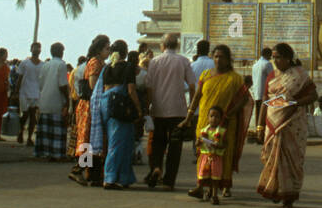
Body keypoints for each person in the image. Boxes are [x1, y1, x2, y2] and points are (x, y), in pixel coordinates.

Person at [181, 44, 252, 198]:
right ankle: (201, 186)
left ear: (228, 60)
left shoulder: (235, 78)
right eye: (216, 56)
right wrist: (188, 117)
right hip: (204, 121)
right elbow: (197, 97)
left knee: (223, 155)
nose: (219, 60)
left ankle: (223, 186)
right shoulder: (206, 75)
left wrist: (229, 114)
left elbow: (244, 99)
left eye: (222, 57)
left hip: (226, 123)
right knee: (203, 154)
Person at [256, 43, 318, 208]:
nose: (275, 61)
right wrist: (260, 126)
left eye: (278, 57)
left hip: (293, 123)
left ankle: (288, 198)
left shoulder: (300, 75)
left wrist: (295, 103)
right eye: (273, 57)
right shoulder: (271, 76)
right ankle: (277, 190)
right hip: (272, 122)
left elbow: (313, 95)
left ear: (288, 58)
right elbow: (264, 100)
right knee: (273, 157)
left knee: (291, 160)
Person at [144, 31, 196, 191]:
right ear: (177, 45)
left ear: (162, 45)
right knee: (175, 146)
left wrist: (148, 107)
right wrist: (191, 108)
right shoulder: (183, 61)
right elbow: (193, 85)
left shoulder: (154, 61)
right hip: (178, 110)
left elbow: (149, 87)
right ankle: (169, 180)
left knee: (157, 142)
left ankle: (156, 168)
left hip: (158, 109)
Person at [72, 34, 110, 186]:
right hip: (89, 106)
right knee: (87, 140)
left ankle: (93, 174)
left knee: (94, 141)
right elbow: (94, 86)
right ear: (99, 50)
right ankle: (77, 169)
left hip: (93, 105)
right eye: (107, 48)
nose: (108, 51)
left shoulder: (100, 62)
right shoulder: (95, 63)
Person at [97, 62, 138, 189]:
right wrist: (139, 109)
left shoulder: (107, 67)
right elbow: (131, 90)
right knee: (122, 144)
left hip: (106, 103)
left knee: (114, 142)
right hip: (120, 106)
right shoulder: (128, 67)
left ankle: (119, 177)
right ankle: (112, 177)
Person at [34, 42, 70, 161]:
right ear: (61, 52)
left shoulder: (45, 65)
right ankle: (57, 154)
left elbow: (40, 84)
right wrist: (67, 99)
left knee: (45, 130)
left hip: (44, 100)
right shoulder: (61, 65)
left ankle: (46, 152)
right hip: (56, 101)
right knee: (57, 130)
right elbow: (62, 84)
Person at [195, 106, 227, 205]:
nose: (214, 119)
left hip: (216, 157)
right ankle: (199, 190)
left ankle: (214, 195)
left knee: (215, 177)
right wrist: (198, 142)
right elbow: (198, 144)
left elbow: (225, 145)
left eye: (217, 117)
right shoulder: (204, 130)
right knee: (203, 175)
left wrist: (218, 145)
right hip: (205, 156)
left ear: (221, 119)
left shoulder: (221, 131)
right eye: (211, 116)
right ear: (208, 117)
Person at [16, 43, 43, 146]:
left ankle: (29, 137)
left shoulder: (42, 65)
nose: (36, 50)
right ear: (31, 49)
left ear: (40, 51)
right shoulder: (24, 63)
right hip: (24, 92)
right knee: (24, 114)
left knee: (33, 116)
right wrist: (16, 91)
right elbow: (20, 78)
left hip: (36, 93)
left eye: (38, 48)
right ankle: (21, 131)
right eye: (34, 48)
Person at [251, 46, 273, 138]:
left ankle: (258, 133)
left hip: (256, 92)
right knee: (264, 114)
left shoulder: (255, 64)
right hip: (265, 93)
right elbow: (272, 78)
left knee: (258, 114)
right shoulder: (267, 64)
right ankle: (262, 134)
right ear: (267, 55)